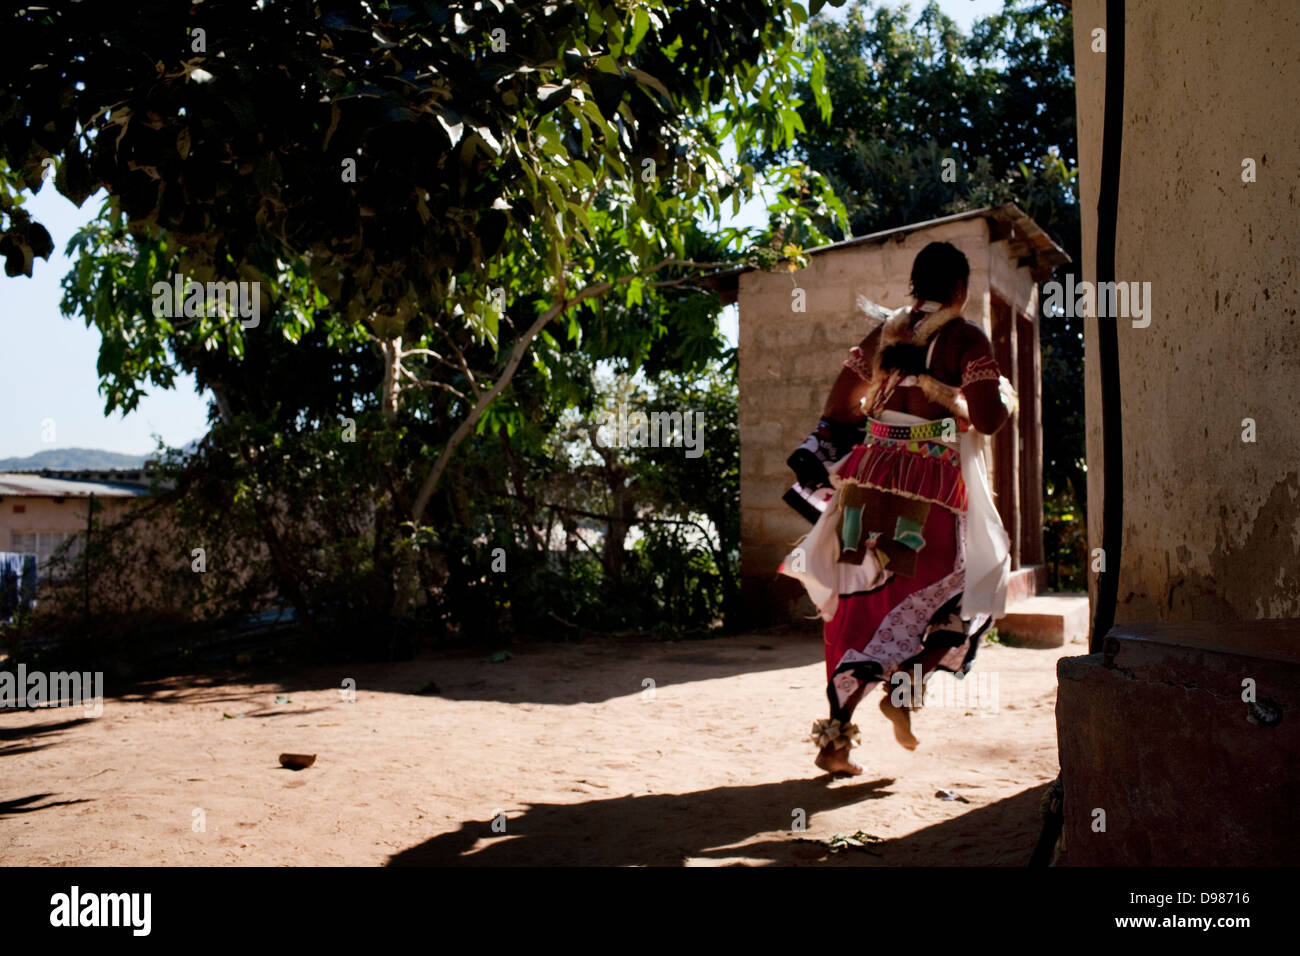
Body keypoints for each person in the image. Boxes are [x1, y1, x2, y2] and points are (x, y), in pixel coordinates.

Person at [779, 241, 1016, 776]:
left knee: (861, 608)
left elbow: (840, 405)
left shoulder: (884, 332)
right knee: (969, 586)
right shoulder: (964, 336)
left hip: (866, 488)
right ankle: (905, 692)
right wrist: (999, 392)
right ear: (959, 290)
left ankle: (836, 742)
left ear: (914, 286)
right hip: (929, 490)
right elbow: (987, 419)